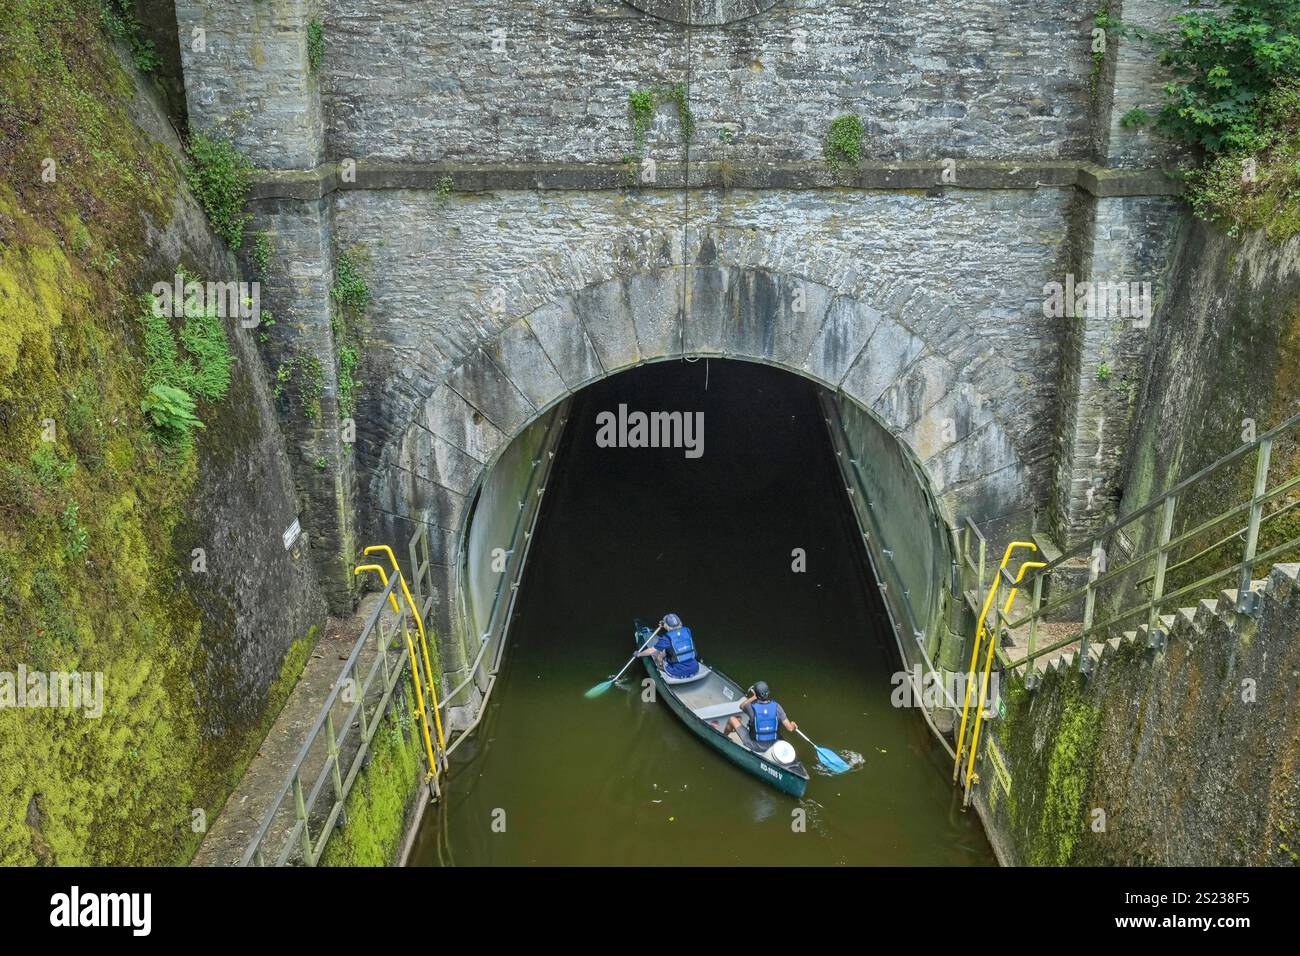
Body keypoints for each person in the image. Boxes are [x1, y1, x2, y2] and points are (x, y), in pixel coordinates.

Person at [725, 680, 797, 753]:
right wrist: (793, 725)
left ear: (756, 694)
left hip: (754, 745)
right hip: (773, 745)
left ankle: (724, 737)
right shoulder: (777, 707)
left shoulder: (751, 707)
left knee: (732, 719)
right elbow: (790, 728)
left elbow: (741, 706)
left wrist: (753, 697)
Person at [638, 612, 699, 679]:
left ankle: (660, 668)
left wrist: (639, 654)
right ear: (680, 622)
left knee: (658, 656)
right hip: (695, 668)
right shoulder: (687, 630)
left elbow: (651, 650)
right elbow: (677, 637)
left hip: (677, 672)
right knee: (670, 648)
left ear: (666, 625)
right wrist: (664, 625)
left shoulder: (666, 638)